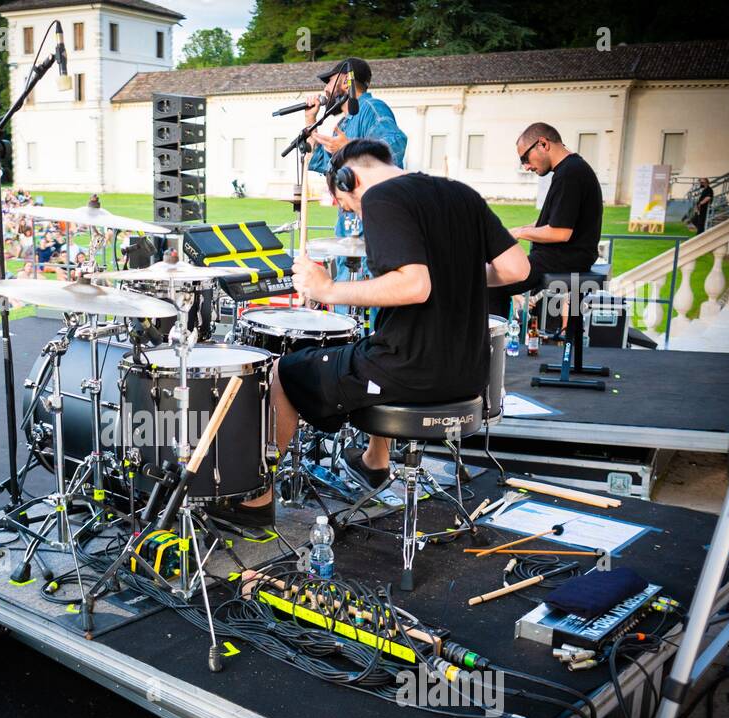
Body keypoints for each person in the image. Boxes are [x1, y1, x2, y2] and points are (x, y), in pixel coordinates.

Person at [220, 138, 530, 526]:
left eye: (342, 201)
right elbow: (518, 268)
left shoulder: (381, 198)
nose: (345, 209)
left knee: (284, 371)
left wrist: (326, 289)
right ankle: (374, 461)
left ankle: (254, 504)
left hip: (411, 372)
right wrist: (457, 274)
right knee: (368, 350)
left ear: (349, 178)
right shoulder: (461, 194)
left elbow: (415, 286)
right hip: (469, 377)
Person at [303, 58, 408, 298]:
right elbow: (319, 162)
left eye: (328, 82)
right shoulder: (343, 122)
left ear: (344, 81)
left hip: (373, 222)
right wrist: (310, 121)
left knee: (366, 294)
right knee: (345, 291)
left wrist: (350, 145)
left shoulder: (373, 108)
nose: (325, 90)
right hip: (348, 224)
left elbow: (395, 146)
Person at [487, 122, 603, 321]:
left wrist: (518, 233)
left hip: (563, 260)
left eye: (525, 158)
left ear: (543, 144)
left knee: (489, 281)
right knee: (493, 272)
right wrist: (510, 232)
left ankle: (492, 346)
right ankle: (495, 340)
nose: (526, 166)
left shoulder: (570, 173)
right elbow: (551, 222)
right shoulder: (569, 170)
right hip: (559, 257)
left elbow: (560, 232)